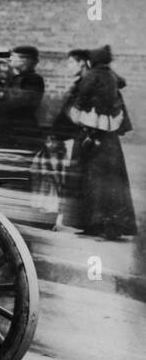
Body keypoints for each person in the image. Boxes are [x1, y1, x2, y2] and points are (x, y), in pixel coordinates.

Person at [61, 45, 136, 239]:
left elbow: (82, 102)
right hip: (108, 138)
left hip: (92, 135)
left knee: (94, 182)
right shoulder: (111, 76)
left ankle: (98, 224)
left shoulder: (93, 77)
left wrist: (76, 112)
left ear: (88, 62)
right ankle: (106, 224)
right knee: (108, 182)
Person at [0, 44, 45, 155]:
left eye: (14, 57)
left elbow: (18, 102)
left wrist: (0, 94)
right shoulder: (13, 77)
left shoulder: (33, 80)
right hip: (4, 130)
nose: (10, 60)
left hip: (20, 132)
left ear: (26, 61)